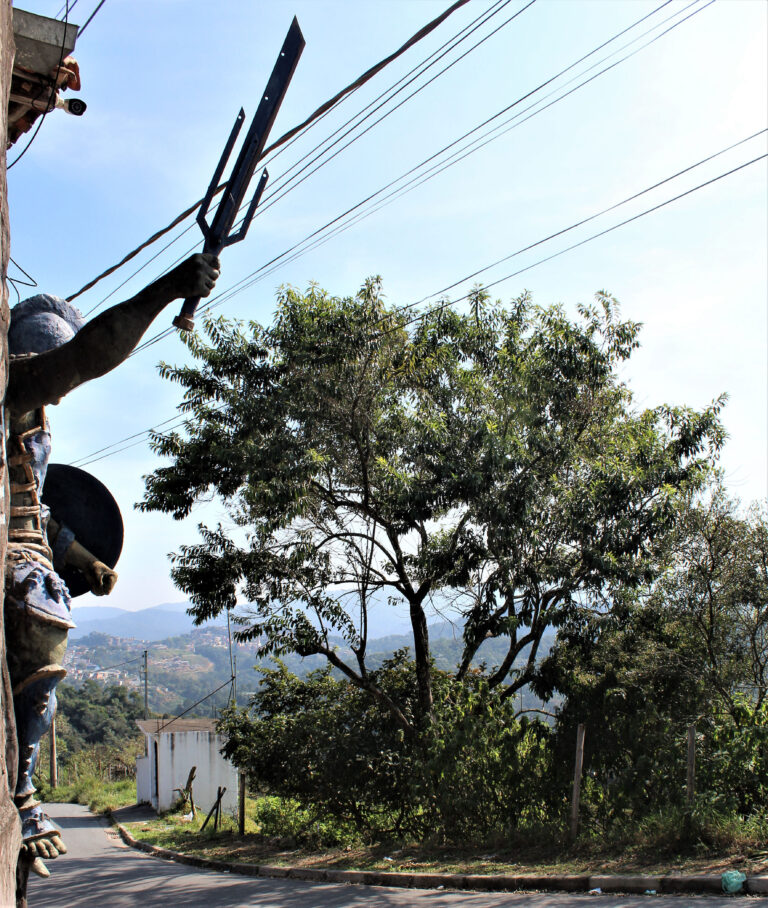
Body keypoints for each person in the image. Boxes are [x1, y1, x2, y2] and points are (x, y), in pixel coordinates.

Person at [4, 253, 220, 877]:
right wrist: (169, 287)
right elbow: (93, 352)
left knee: (47, 598)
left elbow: (41, 514)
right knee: (43, 603)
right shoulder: (14, 388)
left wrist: (85, 560)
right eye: (51, 372)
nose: (61, 388)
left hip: (24, 543)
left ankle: (19, 778)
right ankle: (20, 785)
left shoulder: (36, 422)